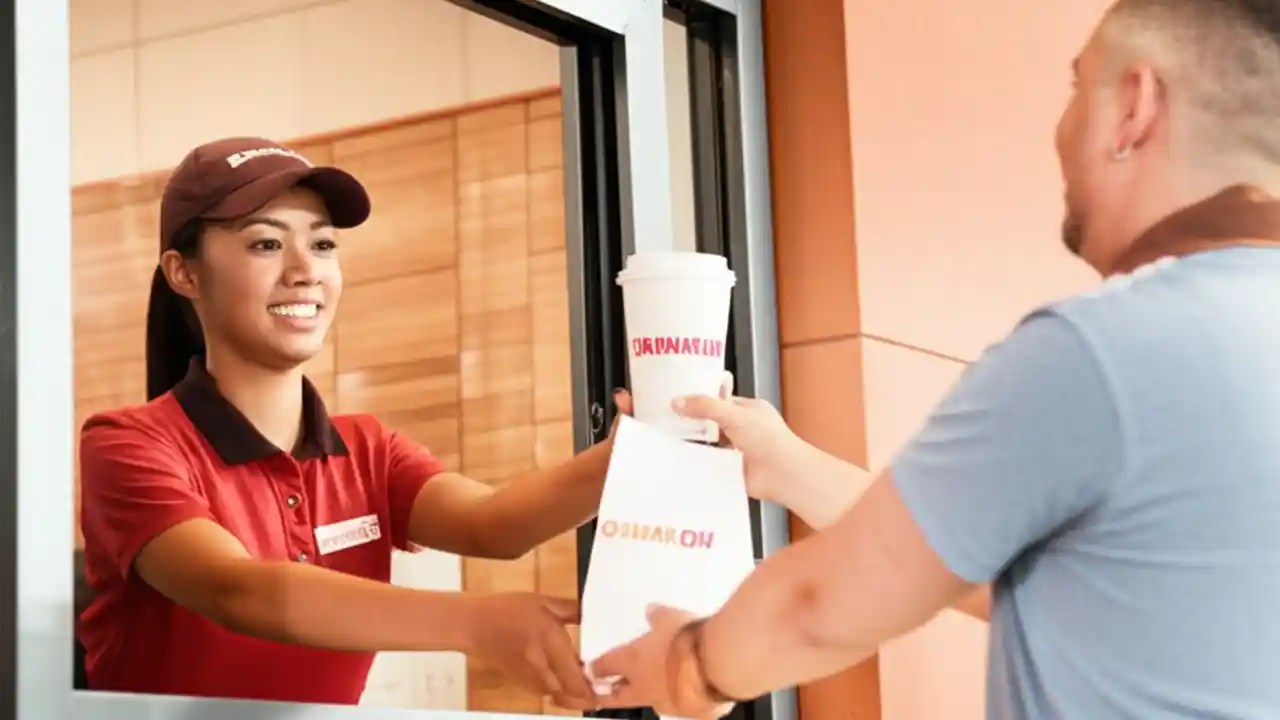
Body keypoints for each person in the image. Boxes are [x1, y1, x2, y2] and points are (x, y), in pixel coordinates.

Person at [590, 1, 1280, 718]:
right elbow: (992, 570)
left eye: (1077, 88)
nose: (1061, 128)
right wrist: (788, 465)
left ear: (1134, 107)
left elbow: (821, 608)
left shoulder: (1107, 352)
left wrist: (687, 663)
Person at [77, 136, 627, 709]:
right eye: (266, 243)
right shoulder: (127, 444)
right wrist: (474, 623)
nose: (304, 271)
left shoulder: (367, 448)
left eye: (321, 244)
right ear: (182, 273)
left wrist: (630, 454)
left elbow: (495, 526)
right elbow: (238, 591)